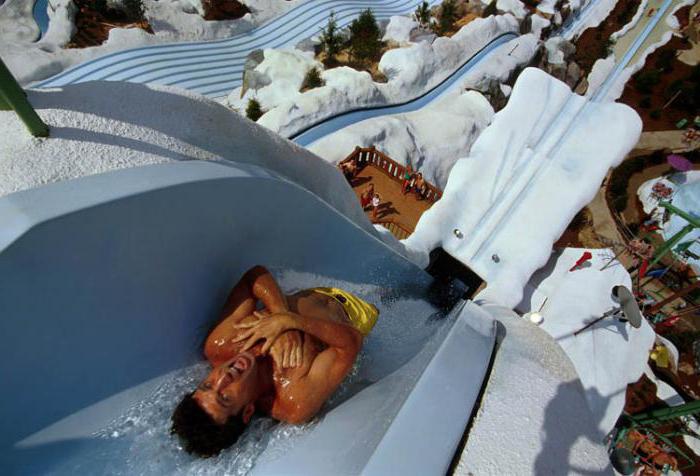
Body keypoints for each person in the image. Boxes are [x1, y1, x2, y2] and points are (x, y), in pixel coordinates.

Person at [171, 266, 379, 457]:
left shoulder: (221, 344)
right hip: (356, 314)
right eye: (224, 397)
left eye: (207, 385)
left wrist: (280, 314)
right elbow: (352, 342)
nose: (223, 377)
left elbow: (253, 276)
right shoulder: (294, 398)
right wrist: (289, 323)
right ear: (248, 411)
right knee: (387, 295)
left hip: (319, 291)